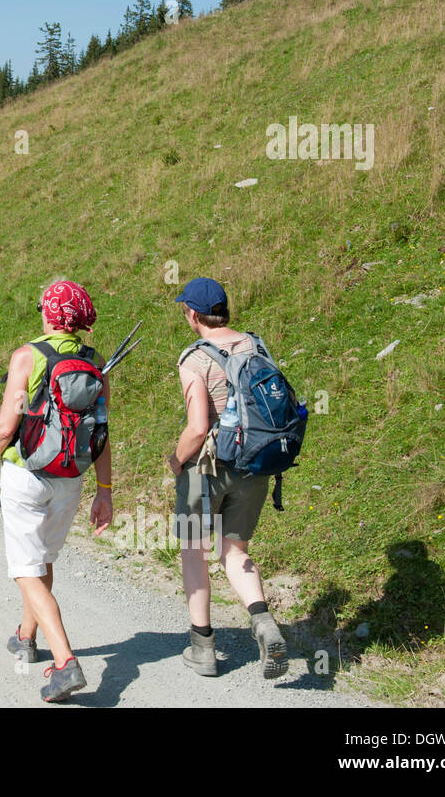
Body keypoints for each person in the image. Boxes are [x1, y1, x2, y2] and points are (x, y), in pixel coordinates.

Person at [0, 281, 112, 703]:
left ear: (48, 314)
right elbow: (102, 432)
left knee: (25, 569)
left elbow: (6, 425)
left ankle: (65, 663)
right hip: (71, 477)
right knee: (41, 558)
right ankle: (26, 637)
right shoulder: (96, 362)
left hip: (27, 474)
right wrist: (105, 491)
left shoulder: (28, 356)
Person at [167, 277, 287, 679]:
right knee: (235, 552)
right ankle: (265, 624)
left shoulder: (194, 358)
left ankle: (203, 648)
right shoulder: (256, 345)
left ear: (193, 314)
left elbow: (198, 428)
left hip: (206, 472)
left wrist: (176, 459)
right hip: (255, 466)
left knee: (193, 549)